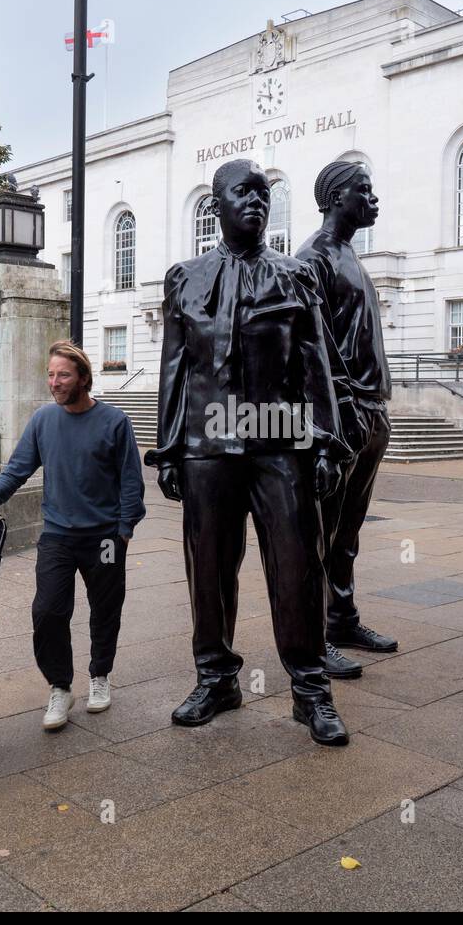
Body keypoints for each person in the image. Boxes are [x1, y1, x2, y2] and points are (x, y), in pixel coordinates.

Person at [145, 158, 354, 746]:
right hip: (208, 443)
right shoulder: (183, 278)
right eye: (244, 193)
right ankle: (215, 677)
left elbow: (317, 367)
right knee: (207, 568)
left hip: (280, 440)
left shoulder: (295, 276)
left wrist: (326, 444)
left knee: (297, 566)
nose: (257, 203)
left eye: (265, 195)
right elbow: (173, 369)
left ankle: (311, 689)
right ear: (217, 206)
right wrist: (168, 449)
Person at [0, 341, 145, 731]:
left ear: (83, 379)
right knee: (48, 612)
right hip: (57, 536)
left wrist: (124, 531)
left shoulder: (115, 422)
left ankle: (100, 676)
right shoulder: (43, 421)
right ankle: (60, 685)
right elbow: (16, 470)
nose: (54, 382)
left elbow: (130, 481)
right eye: (51, 375)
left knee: (105, 610)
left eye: (63, 375)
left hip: (104, 538)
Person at [297, 160, 397, 679]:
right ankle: (311, 637)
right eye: (364, 190)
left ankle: (342, 618)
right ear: (337, 198)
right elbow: (312, 348)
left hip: (371, 408)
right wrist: (336, 416)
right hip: (344, 413)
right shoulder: (312, 258)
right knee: (322, 529)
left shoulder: (351, 256)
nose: (373, 199)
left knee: (348, 531)